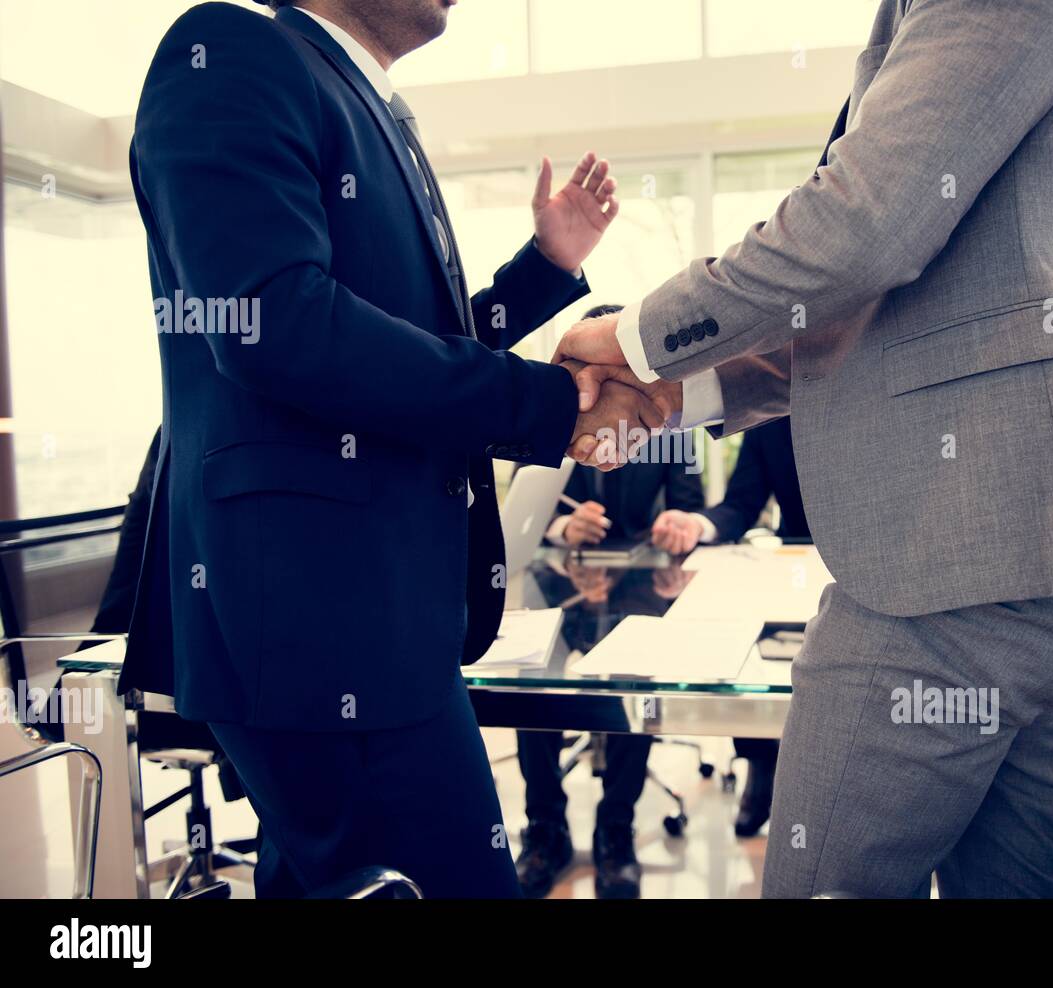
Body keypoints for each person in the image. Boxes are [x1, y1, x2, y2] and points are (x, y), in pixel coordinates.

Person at [556, 0, 1053, 898]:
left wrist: (635, 335)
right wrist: (674, 391)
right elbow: (867, 307)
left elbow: (859, 231)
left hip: (966, 544)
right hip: (1022, 547)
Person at [121, 0, 664, 898]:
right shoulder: (230, 52)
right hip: (322, 616)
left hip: (362, 615)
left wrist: (545, 270)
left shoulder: (361, 99)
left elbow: (405, 342)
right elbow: (276, 324)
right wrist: (539, 400)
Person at [514, 305, 705, 900]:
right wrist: (559, 529)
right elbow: (527, 504)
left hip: (639, 577)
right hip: (561, 581)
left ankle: (615, 829)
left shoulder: (669, 420)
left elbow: (689, 502)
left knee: (636, 682)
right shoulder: (549, 413)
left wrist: (681, 523)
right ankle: (543, 827)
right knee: (531, 677)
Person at [651, 417, 807, 838]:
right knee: (741, 640)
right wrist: (697, 525)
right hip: (797, 563)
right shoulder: (774, 412)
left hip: (875, 567)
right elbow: (740, 504)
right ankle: (762, 763)